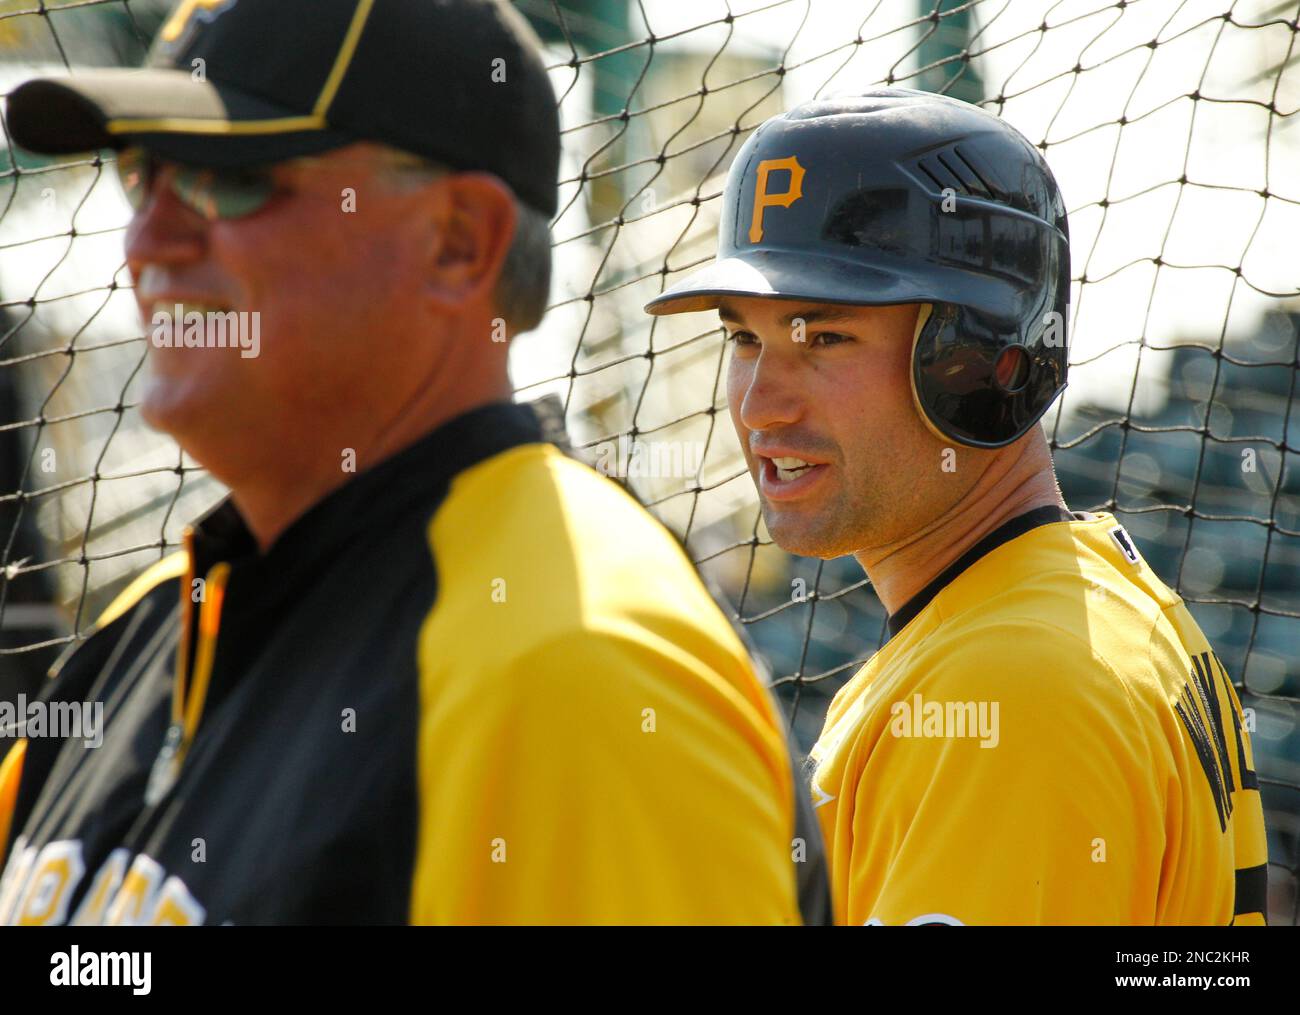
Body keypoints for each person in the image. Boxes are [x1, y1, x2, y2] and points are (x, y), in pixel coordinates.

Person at [0, 0, 829, 926]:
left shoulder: (580, 673)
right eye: (139, 172)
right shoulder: (149, 624)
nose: (145, 243)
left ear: (457, 242)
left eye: (218, 178)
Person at [645, 88, 1267, 925]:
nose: (760, 405)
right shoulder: (1061, 612)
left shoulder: (1014, 690)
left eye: (822, 337)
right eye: (743, 338)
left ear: (978, 358)